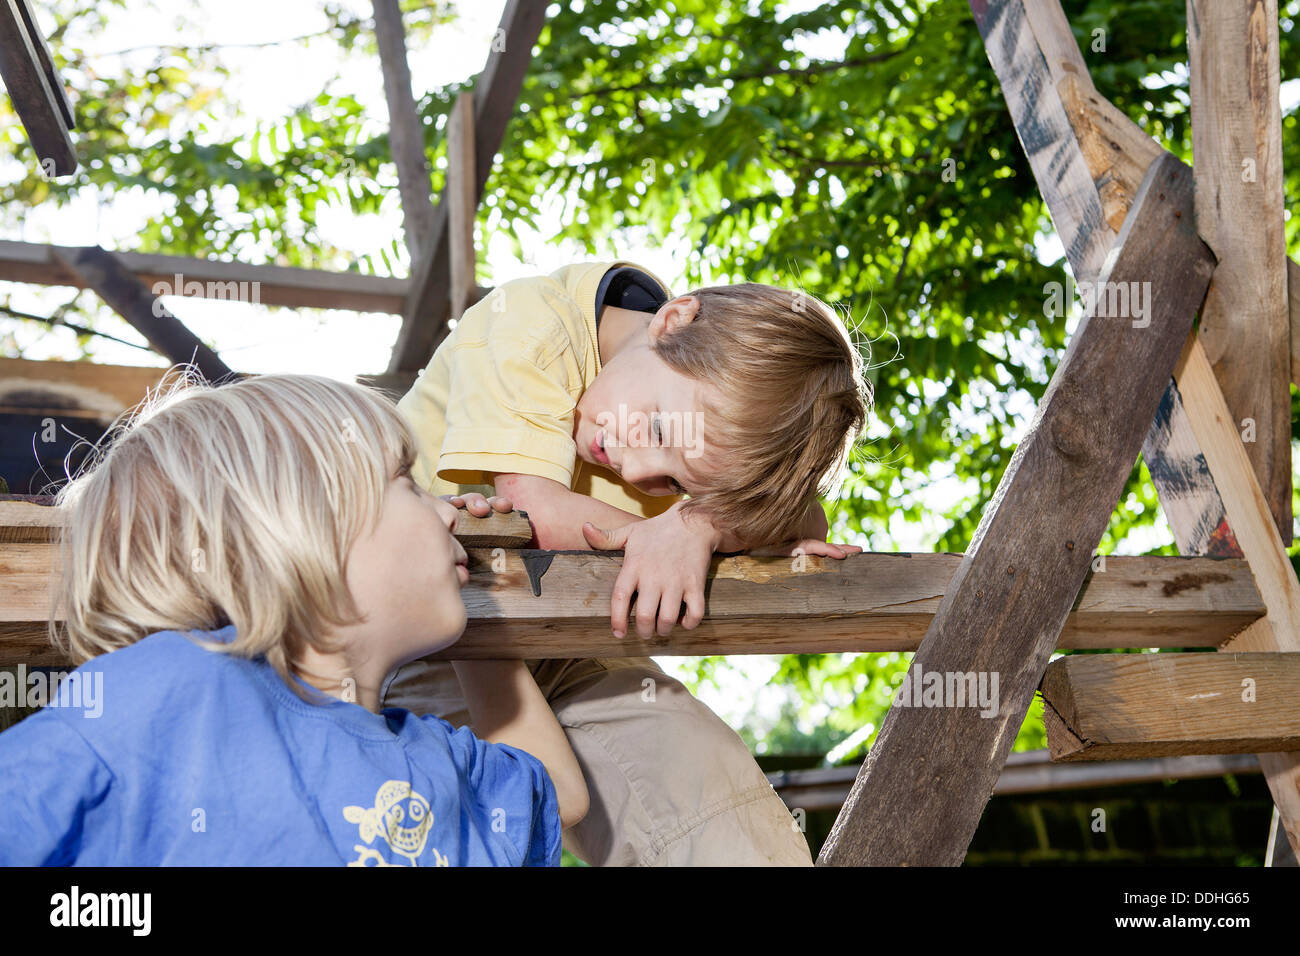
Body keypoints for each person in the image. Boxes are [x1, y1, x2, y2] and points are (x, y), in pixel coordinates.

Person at [383, 260, 871, 865]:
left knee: (709, 789)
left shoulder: (680, 404)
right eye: (661, 428)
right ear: (670, 320)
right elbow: (532, 509)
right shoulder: (530, 326)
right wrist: (656, 536)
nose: (640, 471)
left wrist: (700, 522)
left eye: (672, 481)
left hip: (566, 646)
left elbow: (807, 522)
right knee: (438, 827)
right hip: (411, 645)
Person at [0, 371, 586, 866]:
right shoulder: (177, 688)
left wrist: (473, 599)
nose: (450, 514)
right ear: (300, 525)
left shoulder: (432, 755)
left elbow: (556, 796)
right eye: (408, 483)